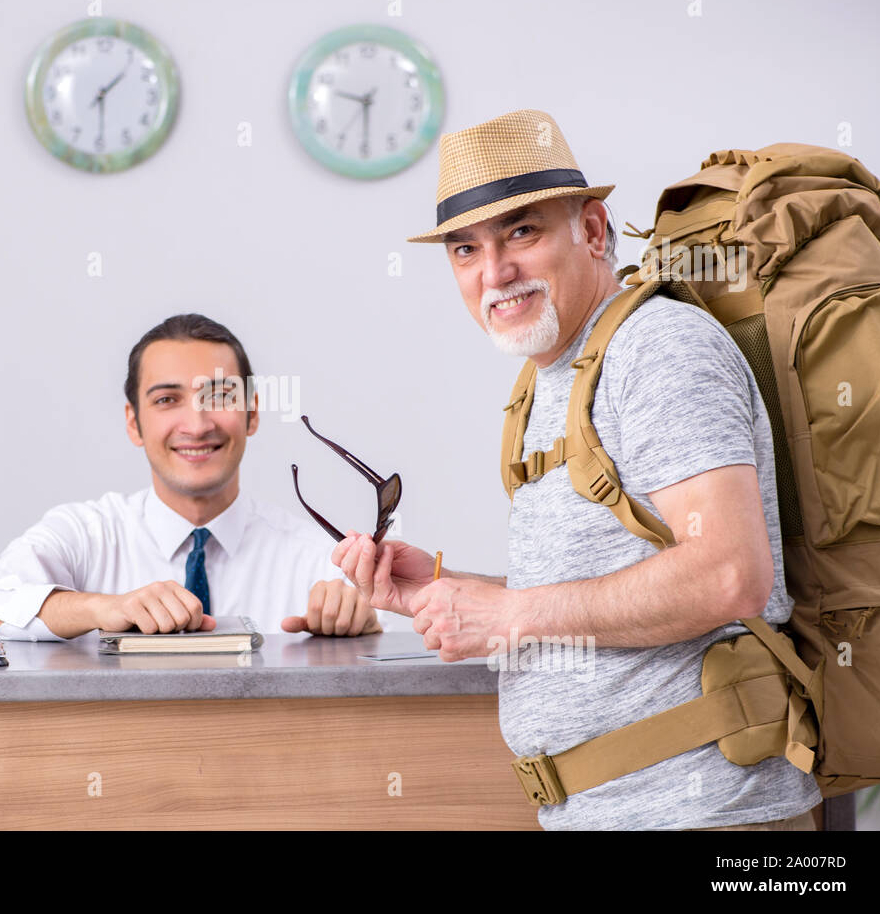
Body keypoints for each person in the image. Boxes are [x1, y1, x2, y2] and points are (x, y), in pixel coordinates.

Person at [333, 109, 821, 830]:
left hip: (711, 816)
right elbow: (605, 588)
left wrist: (509, 613)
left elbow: (730, 573)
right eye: (464, 250)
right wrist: (452, 592)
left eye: (520, 233)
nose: (493, 273)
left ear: (593, 231)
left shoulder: (657, 349)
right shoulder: (552, 375)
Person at [0, 313, 384, 641]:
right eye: (167, 399)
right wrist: (102, 609)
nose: (196, 425)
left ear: (251, 414)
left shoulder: (314, 559)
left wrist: (361, 624)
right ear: (134, 423)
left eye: (220, 396)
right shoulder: (84, 535)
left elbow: (373, 640)